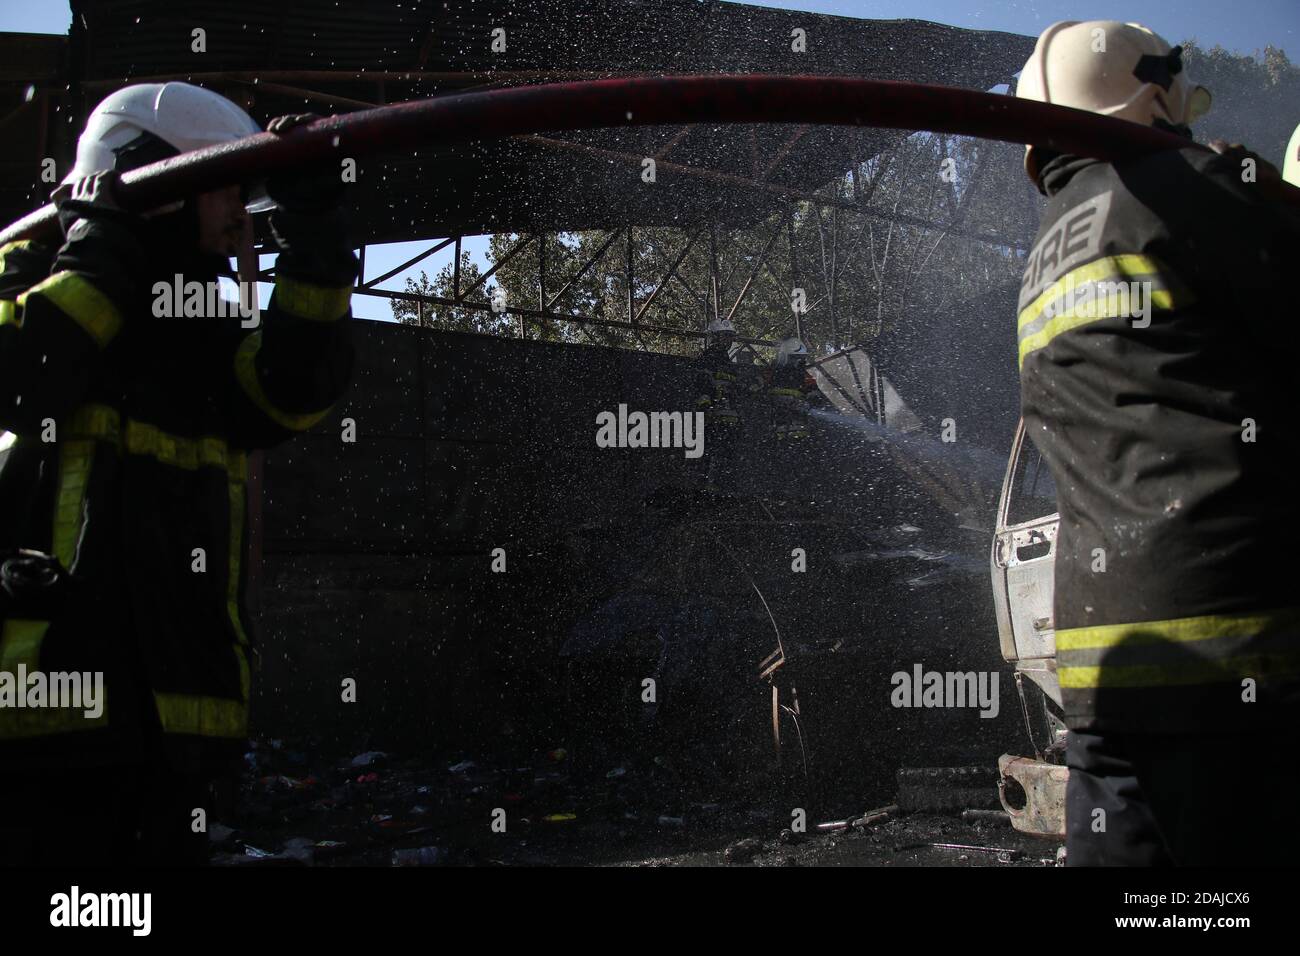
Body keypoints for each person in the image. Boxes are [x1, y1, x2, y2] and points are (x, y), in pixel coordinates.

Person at [0, 82, 357, 865]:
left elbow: (289, 395)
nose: (238, 216)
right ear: (150, 177)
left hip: (178, 732)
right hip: (36, 727)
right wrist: (96, 259)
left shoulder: (195, 312)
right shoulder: (22, 267)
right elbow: (27, 375)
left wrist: (317, 242)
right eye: (226, 188)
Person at [1014, 21, 1300, 865]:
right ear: (1155, 90)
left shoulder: (1042, 253)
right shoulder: (1185, 187)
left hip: (1107, 675)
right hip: (1243, 648)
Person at [694, 317, 742, 490]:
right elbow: (702, 385)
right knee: (711, 453)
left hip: (729, 417)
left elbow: (732, 388)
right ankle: (707, 487)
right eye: (725, 336)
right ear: (714, 337)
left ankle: (724, 488)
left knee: (728, 455)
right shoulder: (708, 357)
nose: (728, 341)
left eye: (730, 337)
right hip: (714, 417)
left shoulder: (728, 362)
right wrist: (707, 407)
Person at [766, 335, 813, 441]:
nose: (798, 362)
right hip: (781, 429)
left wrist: (810, 400)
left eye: (801, 358)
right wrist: (789, 402)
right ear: (785, 357)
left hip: (801, 431)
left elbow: (813, 390)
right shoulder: (774, 372)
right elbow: (767, 393)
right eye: (795, 358)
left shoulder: (803, 373)